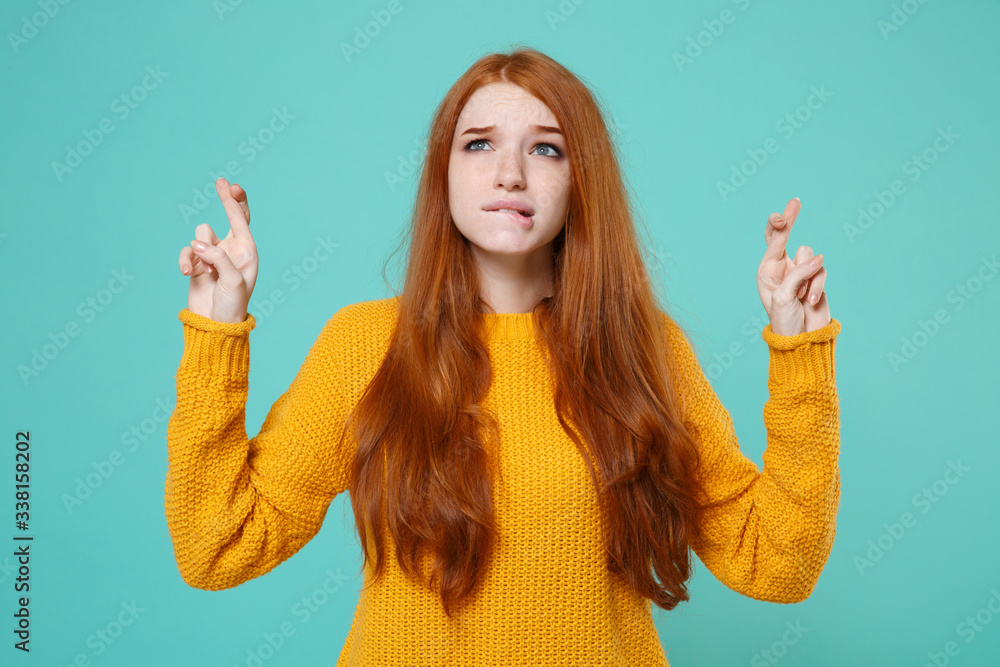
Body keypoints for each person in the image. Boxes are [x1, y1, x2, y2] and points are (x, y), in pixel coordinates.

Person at [165, 47, 841, 666]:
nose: (511, 173)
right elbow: (216, 544)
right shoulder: (365, 345)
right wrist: (216, 328)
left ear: (583, 179)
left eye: (547, 149)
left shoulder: (644, 349)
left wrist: (801, 353)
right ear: (445, 172)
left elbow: (778, 562)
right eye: (479, 144)